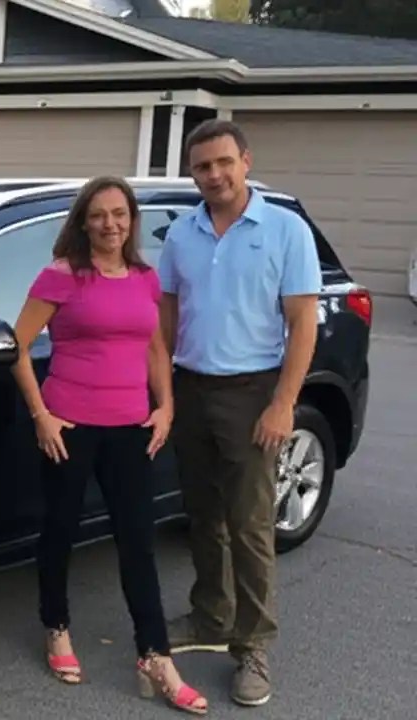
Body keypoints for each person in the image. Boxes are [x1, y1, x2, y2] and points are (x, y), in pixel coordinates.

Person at [11, 176, 207, 715]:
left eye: (119, 214)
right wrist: (41, 416)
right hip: (69, 426)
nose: (110, 224)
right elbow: (18, 346)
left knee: (137, 542)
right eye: (99, 215)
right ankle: (56, 627)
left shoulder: (145, 278)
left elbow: (154, 347)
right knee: (60, 531)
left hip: (130, 429)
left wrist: (165, 405)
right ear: (83, 221)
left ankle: (155, 655)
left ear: (131, 220)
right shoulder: (60, 277)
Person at [158, 119, 321, 708]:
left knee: (251, 525)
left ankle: (252, 645)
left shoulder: (284, 230)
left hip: (255, 392)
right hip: (193, 388)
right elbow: (168, 319)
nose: (214, 175)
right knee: (203, 515)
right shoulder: (182, 235)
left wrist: (283, 404)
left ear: (246, 161)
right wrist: (166, 392)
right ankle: (210, 617)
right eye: (202, 167)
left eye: (224, 162)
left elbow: (303, 324)